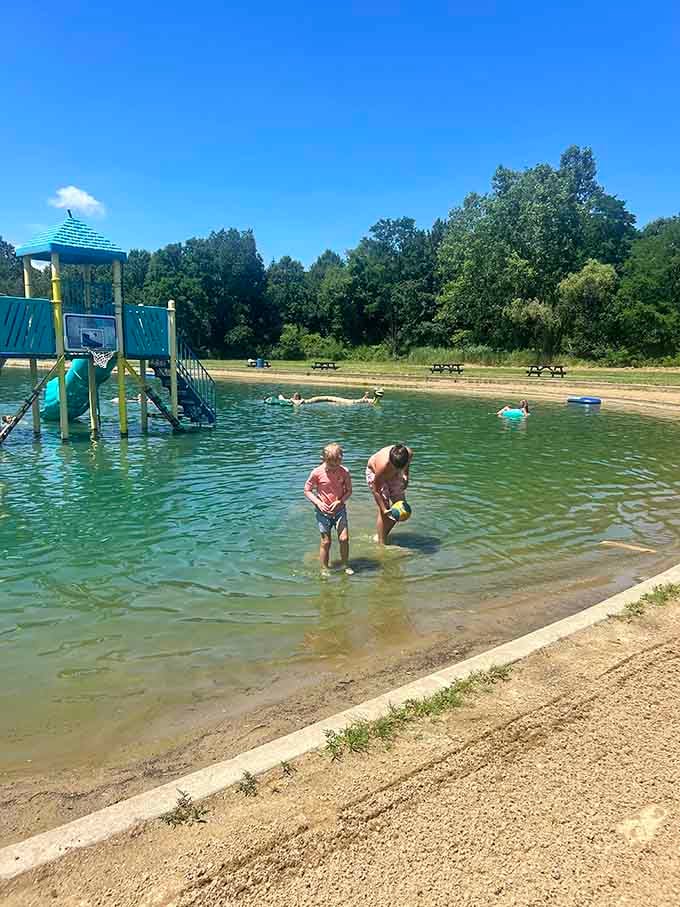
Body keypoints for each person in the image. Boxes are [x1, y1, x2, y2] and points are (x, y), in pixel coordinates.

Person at [304, 443, 354, 576]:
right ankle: (324, 568)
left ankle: (345, 565)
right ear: (324, 459)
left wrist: (340, 501)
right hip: (322, 512)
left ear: (341, 459)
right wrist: (318, 503)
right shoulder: (316, 472)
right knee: (326, 542)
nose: (335, 467)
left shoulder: (344, 472)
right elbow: (307, 490)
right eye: (331, 465)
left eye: (338, 464)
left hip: (340, 510)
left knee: (344, 539)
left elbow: (349, 491)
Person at [366, 443, 413, 545]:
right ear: (390, 462)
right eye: (394, 467)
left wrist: (405, 476)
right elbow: (376, 490)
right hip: (377, 476)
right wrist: (383, 509)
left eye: (399, 468)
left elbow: (407, 465)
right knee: (385, 510)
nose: (397, 469)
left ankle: (381, 535)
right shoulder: (382, 465)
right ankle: (382, 543)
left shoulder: (408, 454)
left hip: (394, 476)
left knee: (402, 509)